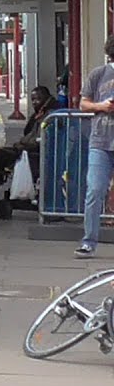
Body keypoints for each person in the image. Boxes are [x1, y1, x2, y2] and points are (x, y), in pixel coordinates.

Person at [0, 86, 58, 205]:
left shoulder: (49, 117)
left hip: (29, 151)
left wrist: (21, 145)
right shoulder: (40, 114)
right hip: (25, 149)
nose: (34, 102)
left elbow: (37, 140)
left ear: (46, 99)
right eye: (32, 99)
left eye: (38, 99)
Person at [75, 35, 114, 258]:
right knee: (95, 190)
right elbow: (83, 103)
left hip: (100, 139)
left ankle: (89, 241)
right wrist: (102, 106)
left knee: (94, 191)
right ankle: (89, 240)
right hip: (100, 141)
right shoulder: (98, 74)